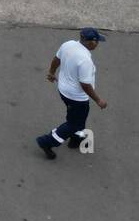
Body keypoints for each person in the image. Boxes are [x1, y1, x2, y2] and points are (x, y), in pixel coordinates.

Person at [37, 27, 107, 159]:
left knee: (78, 119)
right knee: (73, 124)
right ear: (91, 42)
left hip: (63, 90)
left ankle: (76, 140)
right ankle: (46, 142)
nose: (97, 44)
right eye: (97, 41)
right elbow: (85, 85)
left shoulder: (68, 44)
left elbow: (56, 59)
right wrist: (98, 100)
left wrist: (51, 72)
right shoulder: (85, 60)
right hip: (77, 98)